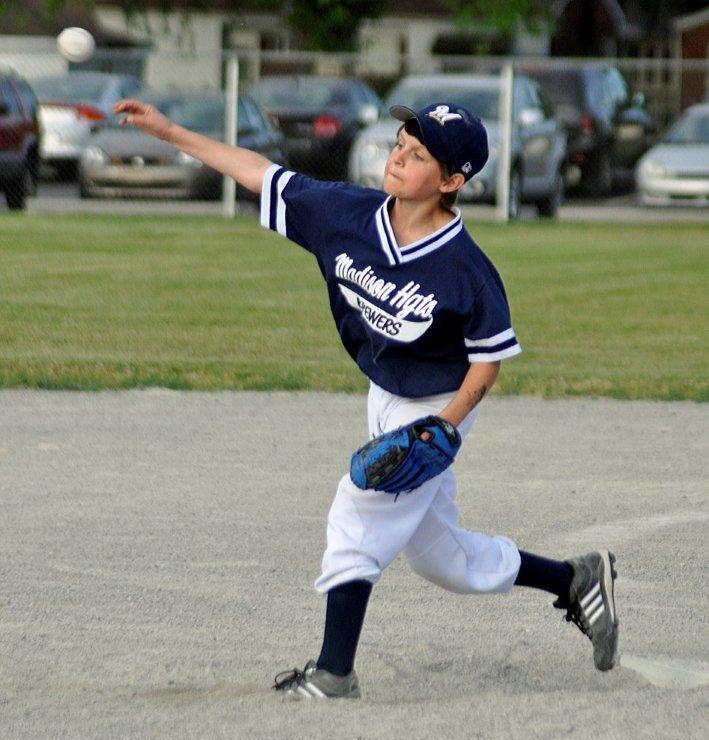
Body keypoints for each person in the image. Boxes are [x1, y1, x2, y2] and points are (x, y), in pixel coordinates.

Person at [113, 97, 619, 700]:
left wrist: (445, 427)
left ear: (453, 180)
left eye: (420, 153)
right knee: (442, 559)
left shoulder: (465, 267)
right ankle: (573, 579)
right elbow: (257, 172)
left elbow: (489, 360)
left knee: (358, 507)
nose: (399, 156)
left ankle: (334, 672)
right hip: (382, 392)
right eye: (402, 143)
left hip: (434, 403)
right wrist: (170, 131)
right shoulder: (345, 213)